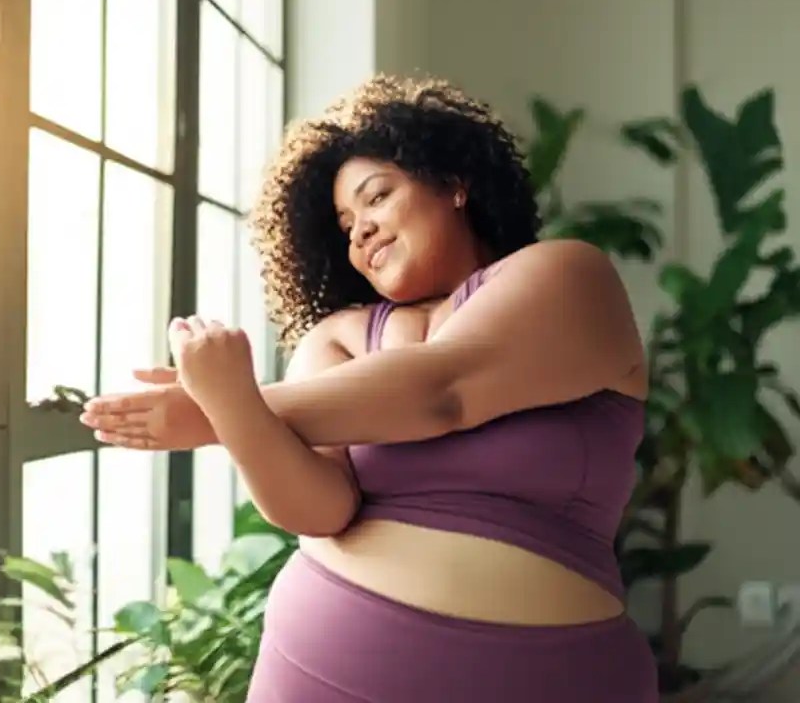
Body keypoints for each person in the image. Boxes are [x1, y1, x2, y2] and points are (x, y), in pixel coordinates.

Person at [79, 74, 659, 702]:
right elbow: (318, 511)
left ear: (453, 183)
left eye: (377, 196)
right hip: (325, 677)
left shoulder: (565, 273)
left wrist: (219, 410)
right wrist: (231, 409)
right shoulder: (336, 337)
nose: (359, 231)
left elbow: (443, 390)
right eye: (345, 225)